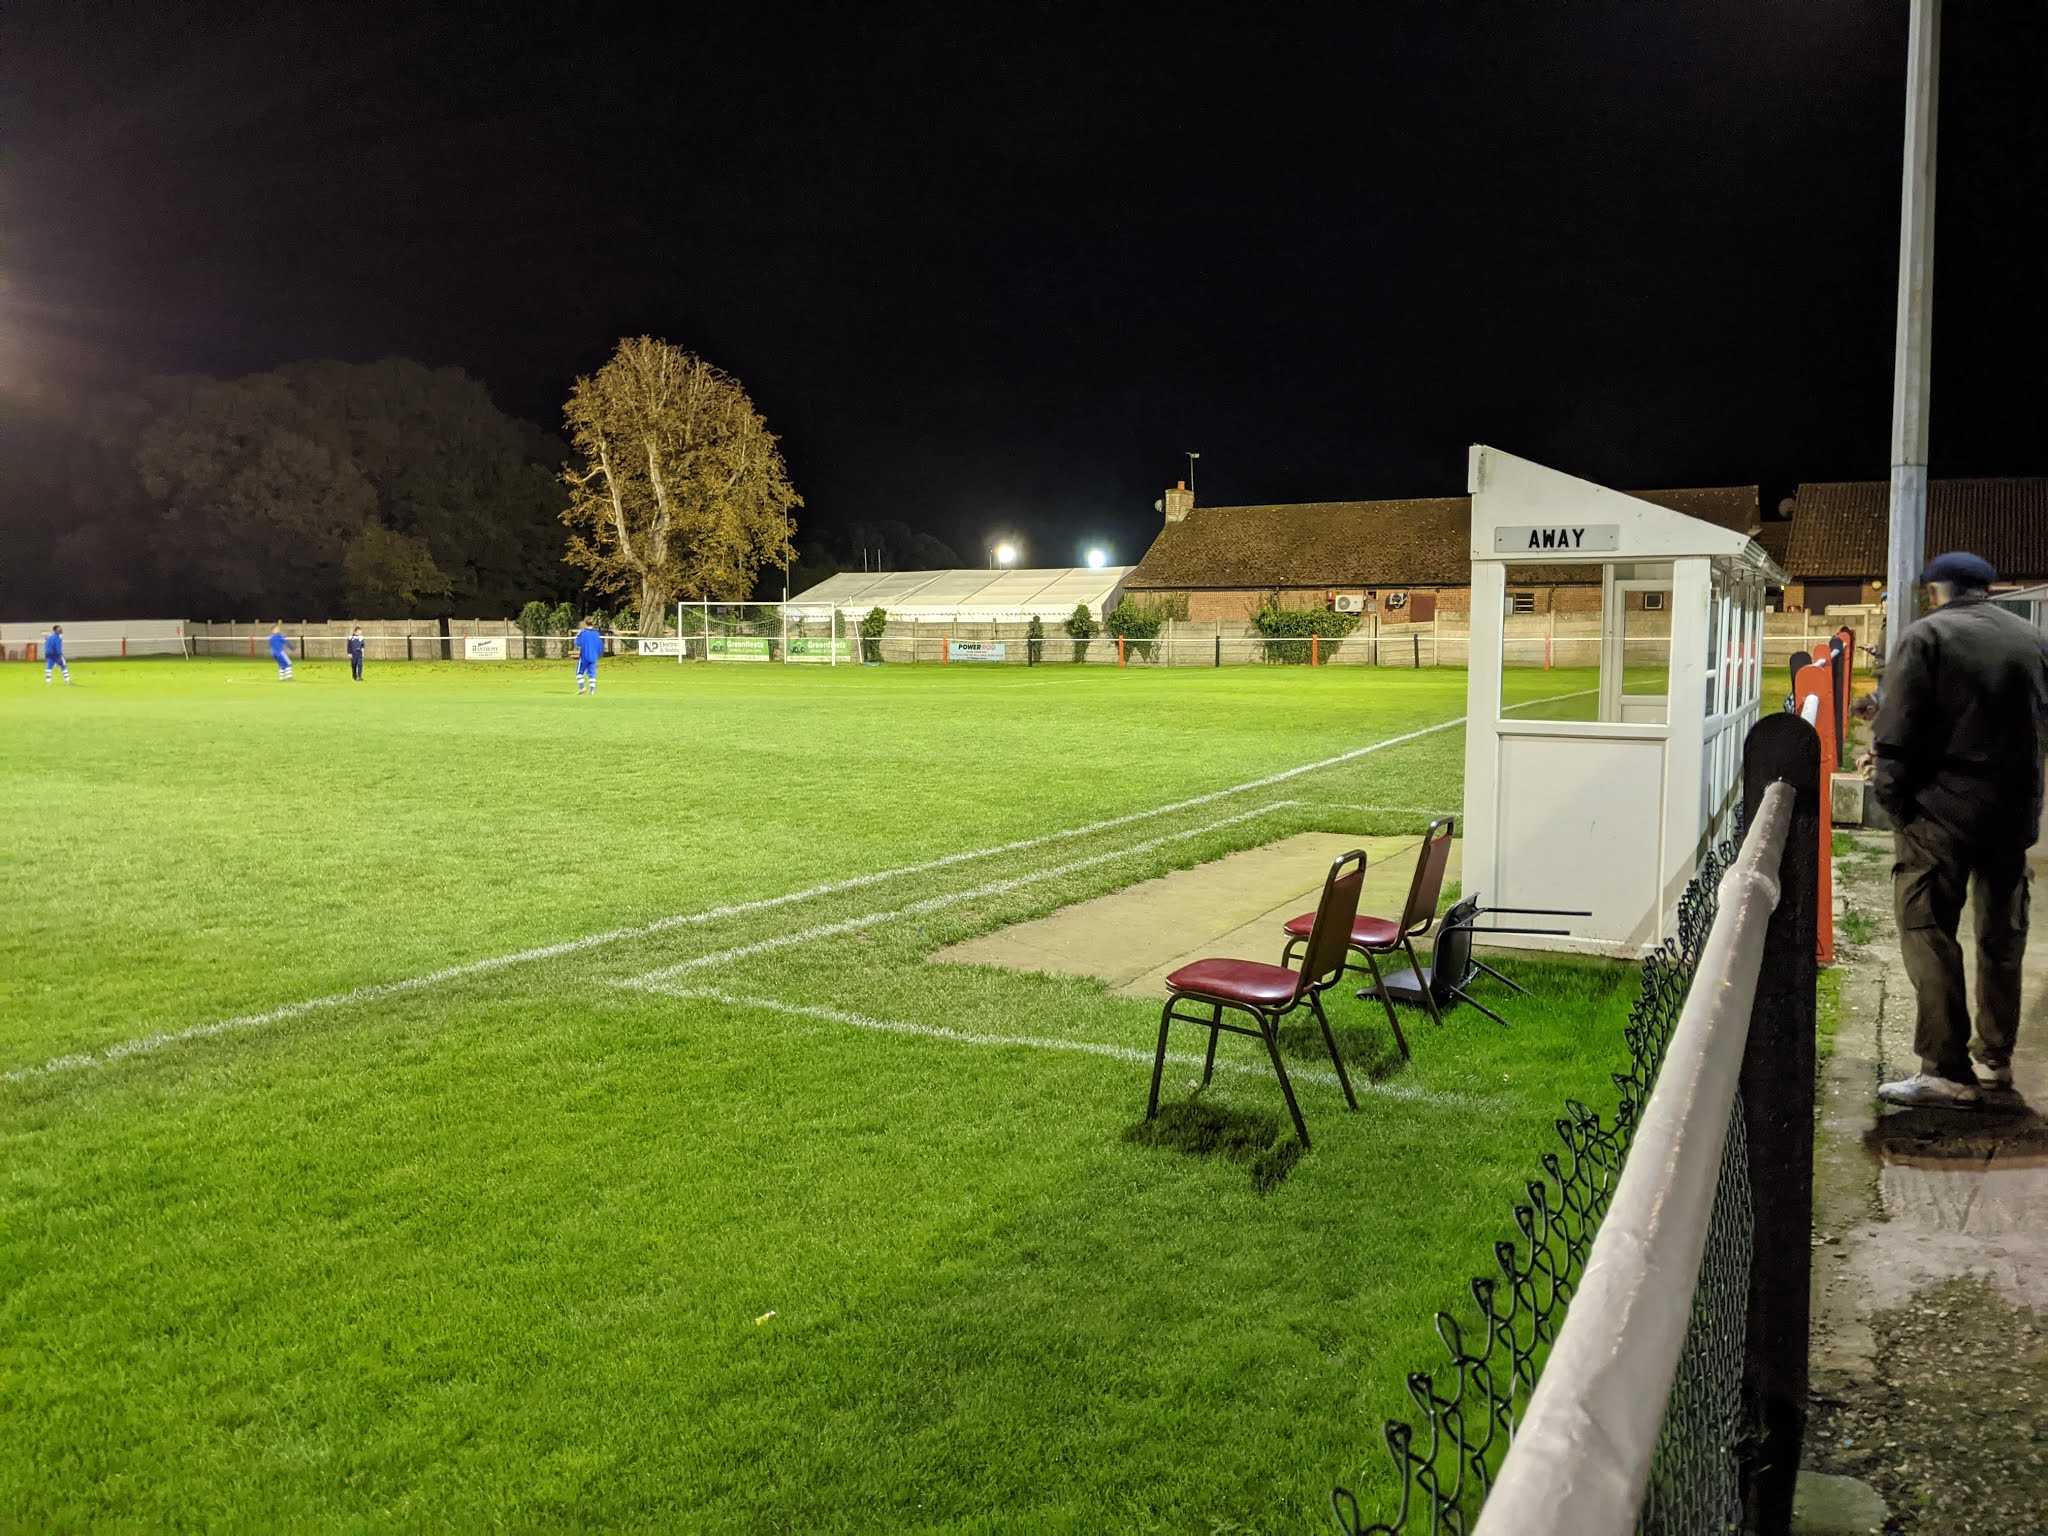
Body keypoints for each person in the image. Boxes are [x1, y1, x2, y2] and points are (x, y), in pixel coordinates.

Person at [1872, 551, 2048, 1108]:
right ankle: (1995, 1059)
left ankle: (1946, 1068)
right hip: (2012, 813)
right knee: (2002, 935)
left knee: (1927, 930)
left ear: (1934, 590)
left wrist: (1893, 802)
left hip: (1940, 813)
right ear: (1987, 588)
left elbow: (1897, 733)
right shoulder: (2032, 639)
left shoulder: (1926, 636)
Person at [574, 616, 604, 695]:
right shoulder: (596, 634)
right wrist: (598, 654)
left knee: (579, 673)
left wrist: (577, 636)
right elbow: (600, 646)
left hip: (584, 656)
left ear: (585, 623)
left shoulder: (583, 633)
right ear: (593, 623)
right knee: (592, 674)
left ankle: (582, 687)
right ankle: (592, 691)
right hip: (593, 657)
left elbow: (578, 643)